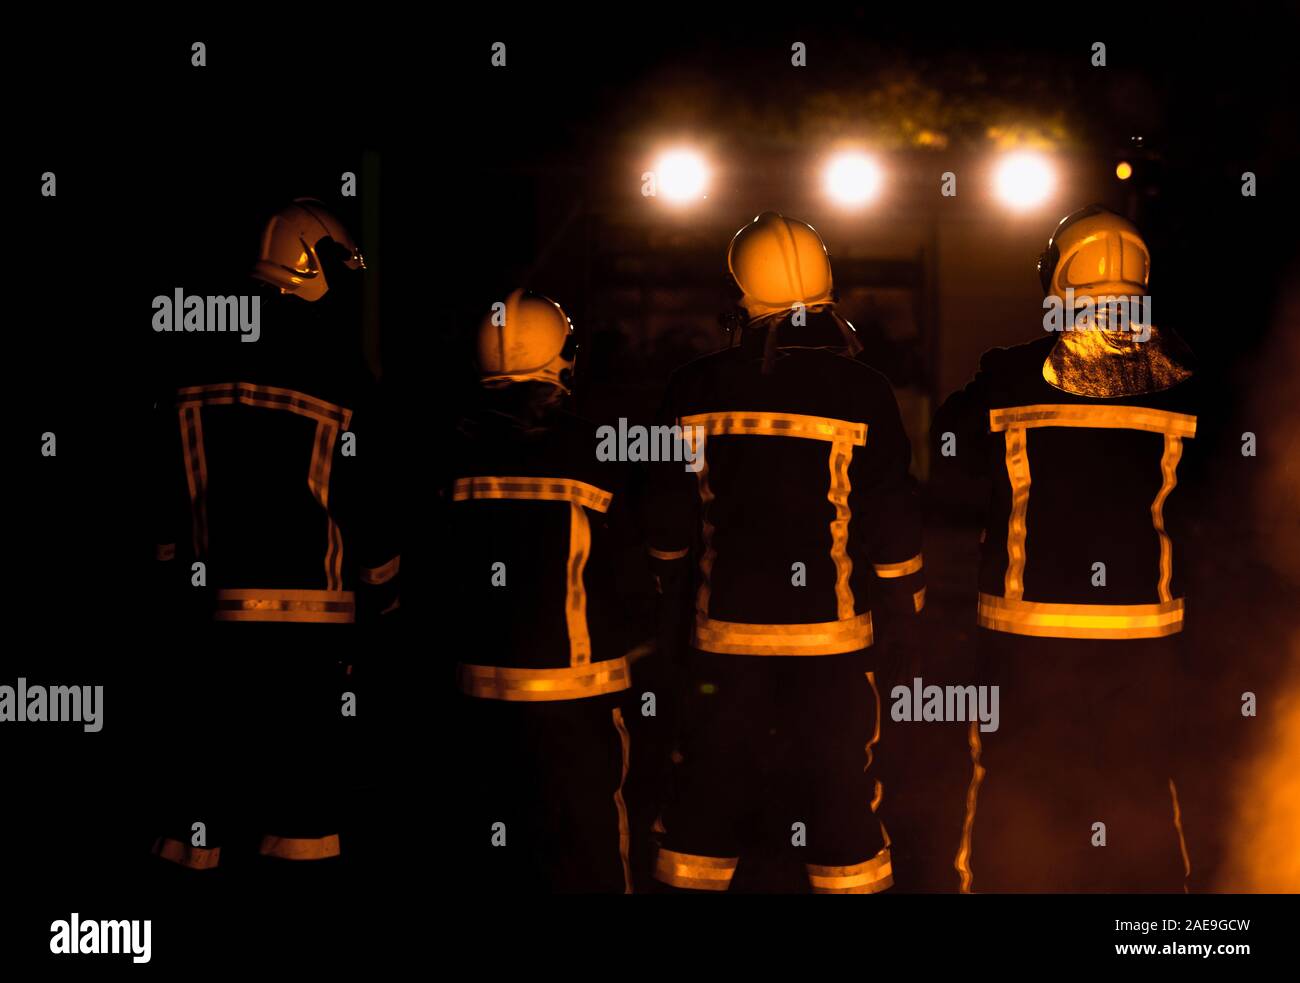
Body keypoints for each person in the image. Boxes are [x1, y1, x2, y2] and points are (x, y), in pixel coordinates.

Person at [647, 211, 923, 893]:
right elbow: (893, 525)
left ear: (741, 296)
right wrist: (906, 612)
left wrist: (665, 591)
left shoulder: (693, 388)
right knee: (839, 803)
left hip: (723, 643)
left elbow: (666, 528)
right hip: (833, 646)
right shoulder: (866, 390)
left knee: (705, 802)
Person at [933, 204, 1199, 892]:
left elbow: (950, 465)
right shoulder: (1190, 379)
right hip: (1146, 633)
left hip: (1028, 633)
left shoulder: (1007, 377)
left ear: (1056, 285)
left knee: (1017, 785)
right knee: (1141, 785)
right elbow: (1216, 503)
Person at [149, 198, 399, 876]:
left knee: (197, 808)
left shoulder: (187, 359)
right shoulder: (340, 368)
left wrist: (172, 575)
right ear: (314, 264)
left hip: (206, 624)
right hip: (310, 634)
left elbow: (161, 499)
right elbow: (368, 501)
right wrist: (386, 590)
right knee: (303, 818)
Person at [443, 288, 634, 893]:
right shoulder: (598, 448)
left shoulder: (450, 450)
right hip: (580, 695)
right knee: (593, 843)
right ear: (564, 357)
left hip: (478, 694)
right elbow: (638, 565)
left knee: (495, 848)